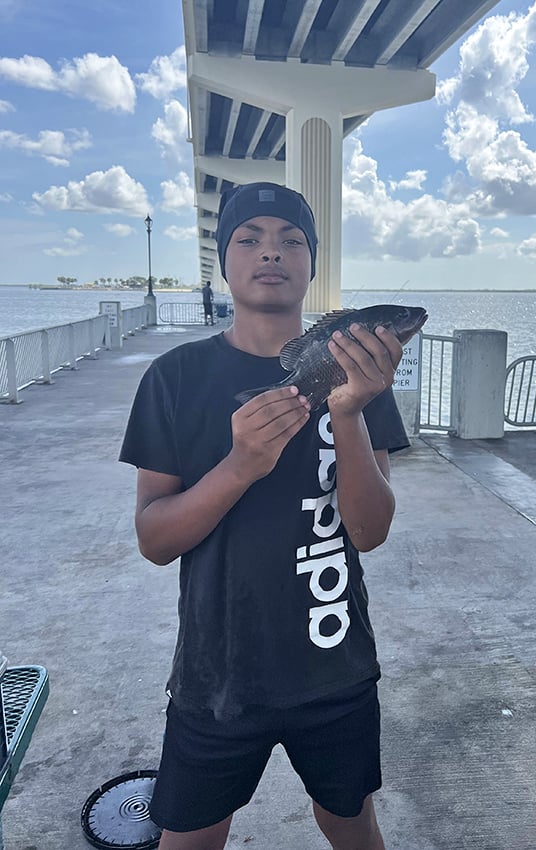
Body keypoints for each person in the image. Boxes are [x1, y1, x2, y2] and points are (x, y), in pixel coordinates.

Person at [119, 181, 409, 850]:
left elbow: (370, 531)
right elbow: (155, 540)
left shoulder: (361, 376)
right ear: (224, 261)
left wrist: (348, 410)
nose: (270, 252)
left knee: (349, 819)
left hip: (334, 663)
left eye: (291, 240)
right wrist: (239, 466)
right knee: (189, 836)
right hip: (214, 673)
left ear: (312, 263)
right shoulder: (174, 378)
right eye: (249, 239)